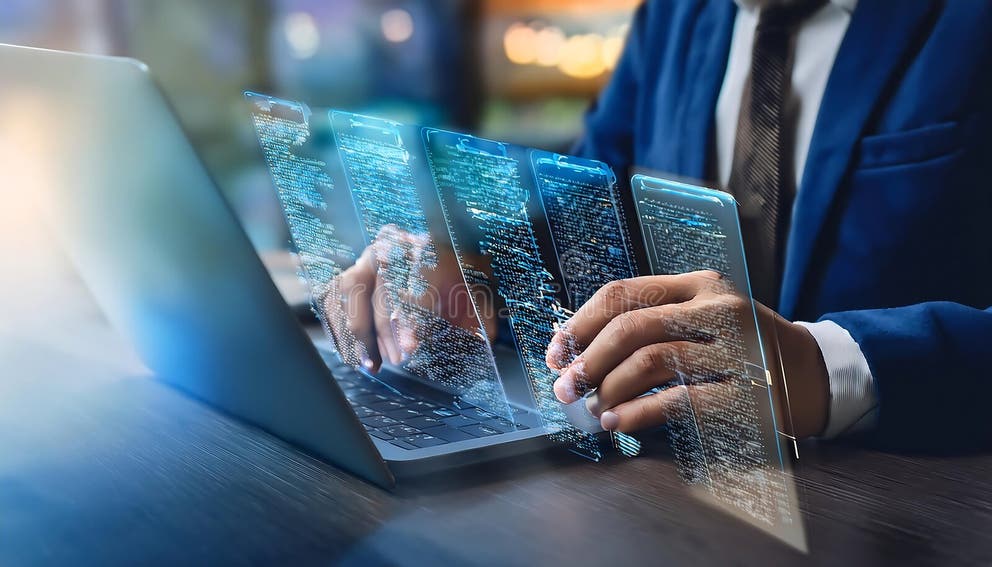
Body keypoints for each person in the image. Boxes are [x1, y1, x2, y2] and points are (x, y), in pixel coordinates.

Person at [558, 0, 992, 450]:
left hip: (911, 480)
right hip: (680, 465)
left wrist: (827, 369)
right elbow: (583, 203)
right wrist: (489, 268)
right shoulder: (671, 14)